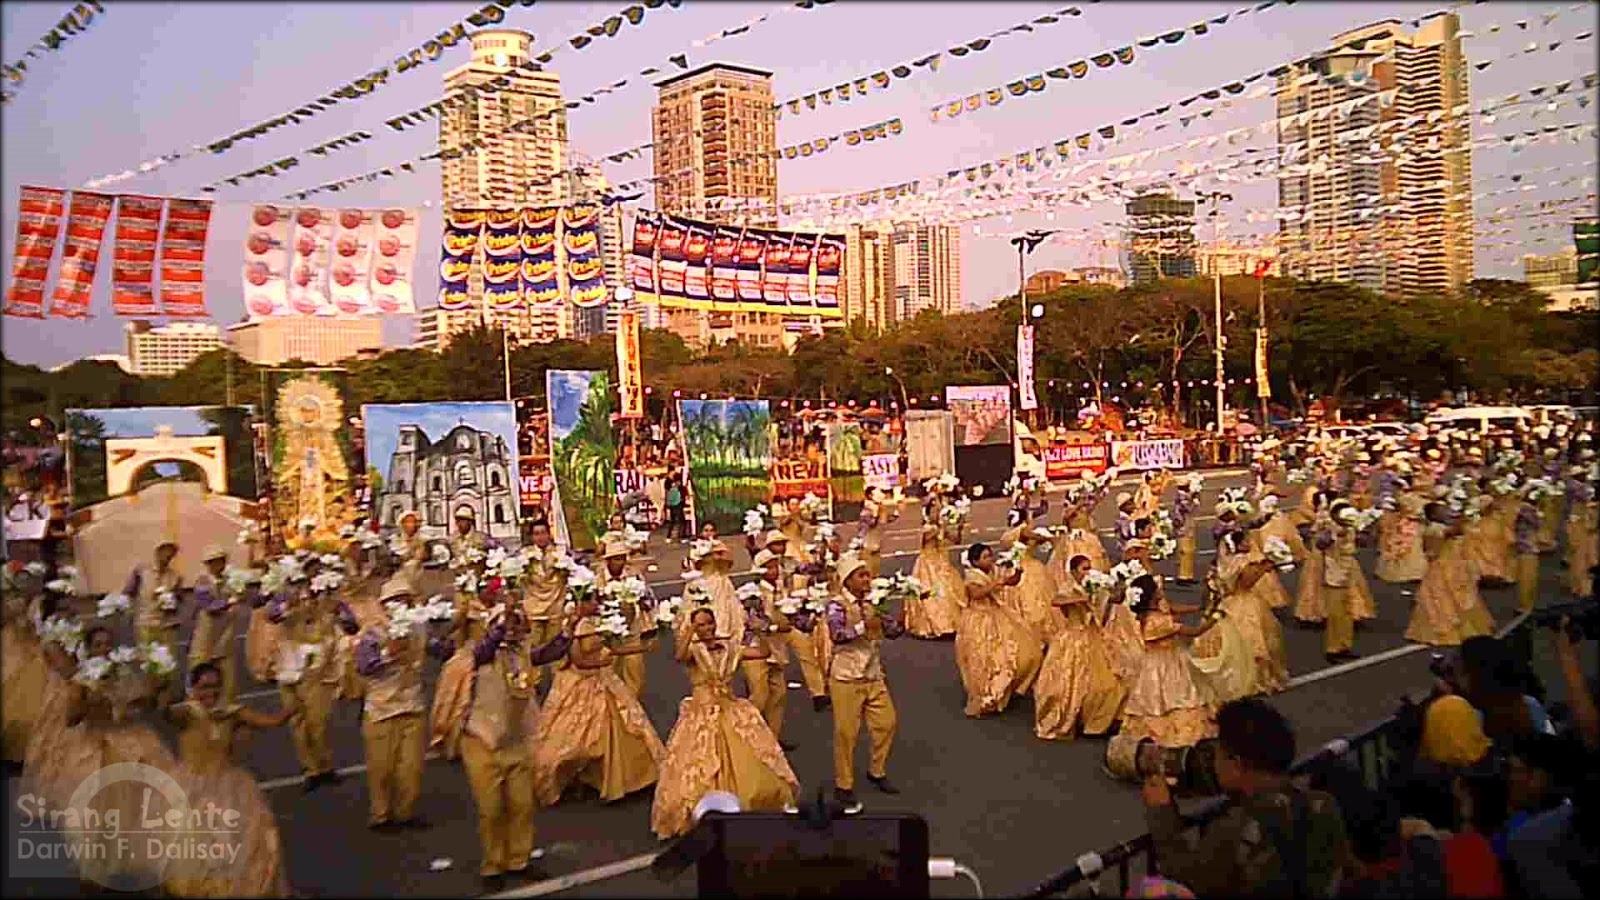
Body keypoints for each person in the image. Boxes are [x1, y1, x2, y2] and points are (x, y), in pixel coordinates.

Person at [1144, 698, 1351, 898]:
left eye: (1217, 754)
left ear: (1237, 763)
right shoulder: (1323, 805)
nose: (1213, 764)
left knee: (1147, 890)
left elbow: (1184, 881)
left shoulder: (1235, 831)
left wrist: (1161, 812)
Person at [651, 607, 801, 838]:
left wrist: (759, 632)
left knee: (750, 758)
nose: (707, 628)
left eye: (709, 623)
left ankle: (748, 805)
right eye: (701, 625)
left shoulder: (730, 647)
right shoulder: (694, 650)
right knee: (701, 762)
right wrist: (690, 631)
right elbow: (679, 656)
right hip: (702, 713)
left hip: (730, 708)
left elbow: (760, 653)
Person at [164, 662, 294, 897]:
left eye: (215, 687)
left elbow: (272, 721)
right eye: (204, 687)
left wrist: (296, 699)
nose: (210, 693)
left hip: (230, 785)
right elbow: (168, 713)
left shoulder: (233, 712)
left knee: (245, 840)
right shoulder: (186, 713)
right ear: (193, 688)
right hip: (192, 786)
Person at [531, 586, 664, 807]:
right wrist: (600, 663)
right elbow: (578, 660)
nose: (598, 603)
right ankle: (574, 777)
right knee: (576, 737)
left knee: (619, 729)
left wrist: (640, 649)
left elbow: (611, 649)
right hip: (581, 685)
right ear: (581, 603)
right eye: (593, 600)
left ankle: (612, 777)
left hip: (604, 680)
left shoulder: (600, 622)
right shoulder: (576, 627)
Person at [457, 609, 545, 889]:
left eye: (517, 625)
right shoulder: (480, 654)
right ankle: (493, 865)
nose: (513, 630)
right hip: (482, 741)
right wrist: (503, 621)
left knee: (522, 805)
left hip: (516, 742)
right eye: (507, 625)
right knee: (491, 809)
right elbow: (486, 647)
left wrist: (572, 625)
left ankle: (519, 860)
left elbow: (552, 652)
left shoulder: (524, 655)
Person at [354, 581, 452, 831]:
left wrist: (443, 628)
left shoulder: (418, 629)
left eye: (406, 600)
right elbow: (364, 667)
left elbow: (441, 651)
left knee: (411, 766)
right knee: (382, 768)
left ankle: (405, 811)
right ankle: (381, 814)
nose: (401, 605)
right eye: (395, 600)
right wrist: (390, 653)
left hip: (412, 705)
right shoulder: (372, 633)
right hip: (380, 709)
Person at [826, 554, 905, 814]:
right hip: (846, 678)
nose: (868, 579)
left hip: (873, 674)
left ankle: (876, 770)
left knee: (887, 723)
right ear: (848, 580)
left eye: (868, 575)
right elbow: (837, 635)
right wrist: (862, 626)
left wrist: (904, 612)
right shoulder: (836, 605)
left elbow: (893, 632)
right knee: (846, 733)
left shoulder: (874, 602)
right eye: (862, 575)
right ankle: (843, 785)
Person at [1120, 573, 1221, 748]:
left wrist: (1198, 608)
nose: (1161, 590)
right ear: (1152, 596)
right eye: (1157, 588)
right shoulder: (1158, 622)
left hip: (1157, 663)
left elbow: (1172, 609)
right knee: (1177, 699)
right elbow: (1195, 632)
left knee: (1154, 701)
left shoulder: (1152, 614)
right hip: (1166, 665)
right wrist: (1216, 618)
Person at [1034, 554, 1126, 740]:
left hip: (1093, 637)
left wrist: (1121, 586)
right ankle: (1074, 717)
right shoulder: (1069, 587)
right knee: (1069, 685)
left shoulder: (1095, 586)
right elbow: (1056, 601)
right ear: (1074, 571)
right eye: (1084, 568)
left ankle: (1096, 721)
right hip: (1072, 639)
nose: (1088, 572)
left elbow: (1114, 600)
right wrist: (1079, 599)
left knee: (1108, 683)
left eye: (1089, 568)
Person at [956, 543, 1042, 717]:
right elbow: (977, 594)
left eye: (990, 556)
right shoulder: (971, 576)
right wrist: (997, 583)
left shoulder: (994, 570)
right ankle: (986, 695)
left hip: (998, 616)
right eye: (985, 557)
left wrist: (1017, 573)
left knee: (1021, 650)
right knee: (984, 660)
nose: (990, 560)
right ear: (974, 561)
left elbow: (1010, 582)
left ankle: (1005, 687)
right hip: (979, 621)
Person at [1406, 504, 1495, 647]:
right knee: (1442, 598)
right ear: (1434, 516)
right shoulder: (1434, 528)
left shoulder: (1438, 527)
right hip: (1442, 568)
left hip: (1453, 566)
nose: (1447, 512)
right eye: (1442, 511)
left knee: (1461, 597)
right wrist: (1465, 514)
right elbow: (1455, 531)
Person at [519, 517, 569, 687]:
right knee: (532, 651)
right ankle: (532, 687)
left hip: (555, 607)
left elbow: (577, 572)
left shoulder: (560, 554)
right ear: (532, 537)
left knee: (557, 651)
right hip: (533, 609)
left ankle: (560, 688)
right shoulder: (525, 556)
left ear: (549, 534)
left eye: (543, 533)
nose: (540, 537)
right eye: (536, 534)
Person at [189, 545, 242, 702]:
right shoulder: (202, 581)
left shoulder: (230, 581)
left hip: (225, 632)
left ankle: (227, 709)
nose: (217, 565)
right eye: (213, 562)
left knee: (227, 674)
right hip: (206, 633)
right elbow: (209, 605)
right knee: (200, 669)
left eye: (220, 561)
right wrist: (229, 601)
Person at [907, 492, 963, 639]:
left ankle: (951, 624)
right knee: (936, 592)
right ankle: (938, 625)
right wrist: (942, 526)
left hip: (943, 562)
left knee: (950, 591)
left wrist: (959, 526)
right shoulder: (927, 528)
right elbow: (930, 537)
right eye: (935, 510)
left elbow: (956, 540)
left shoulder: (939, 527)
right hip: (929, 565)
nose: (937, 513)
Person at [128, 539, 184, 655]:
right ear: (157, 552)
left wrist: (172, 600)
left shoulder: (175, 576)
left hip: (166, 625)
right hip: (145, 623)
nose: (168, 555)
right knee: (146, 660)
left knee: (166, 660)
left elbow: (179, 599)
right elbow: (129, 592)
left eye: (171, 553)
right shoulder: (141, 571)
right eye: (165, 551)